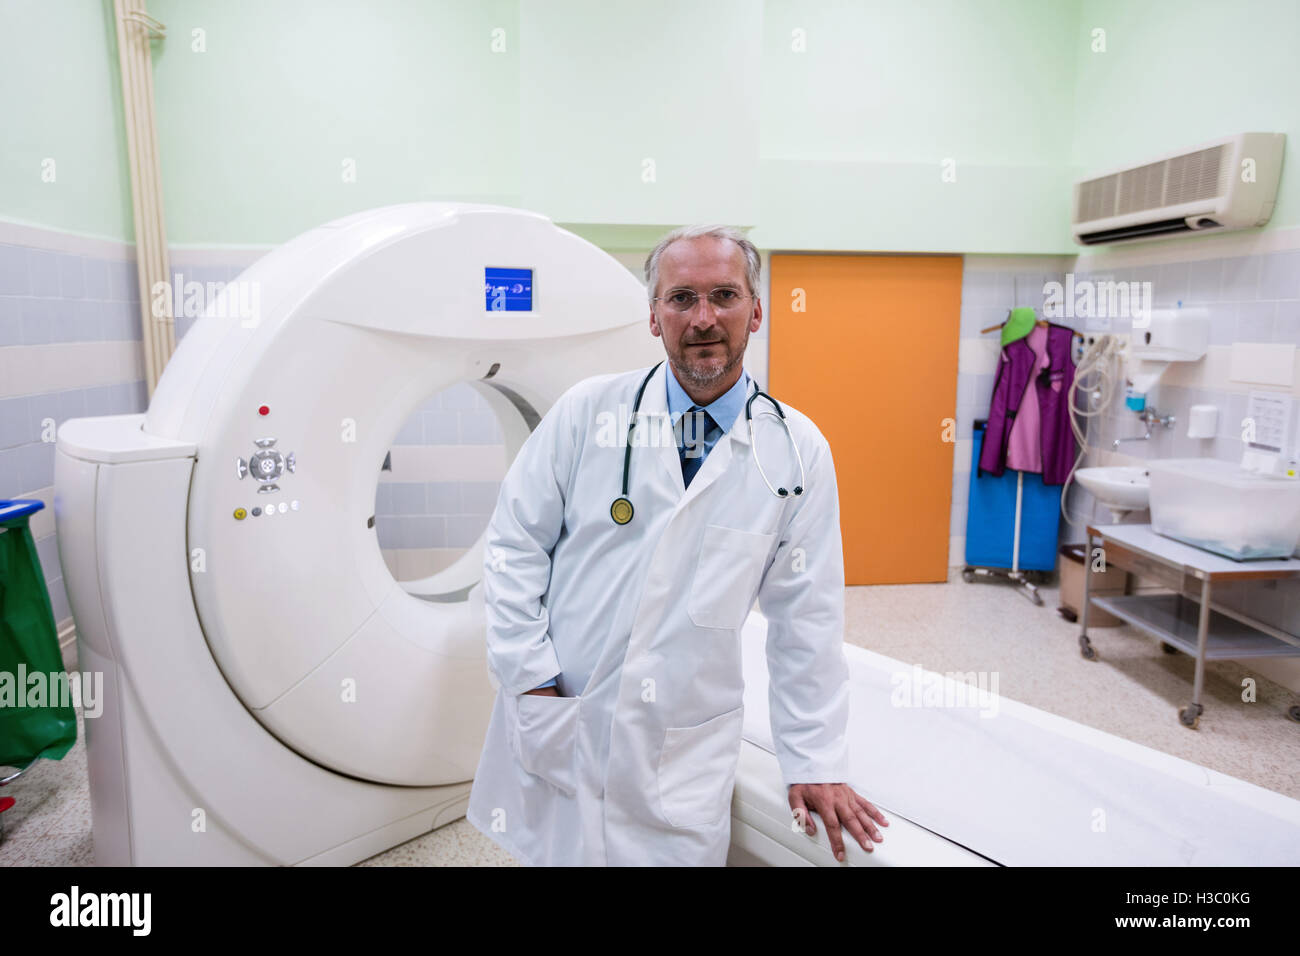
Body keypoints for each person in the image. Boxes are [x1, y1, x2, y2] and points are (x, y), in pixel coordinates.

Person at [466, 224, 888, 865]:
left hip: (681, 744)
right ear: (655, 317)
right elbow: (514, 545)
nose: (704, 318)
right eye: (681, 298)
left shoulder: (797, 450)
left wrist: (816, 758)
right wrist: (530, 680)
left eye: (724, 295)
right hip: (563, 706)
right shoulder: (587, 412)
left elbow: (808, 615)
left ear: (757, 310)